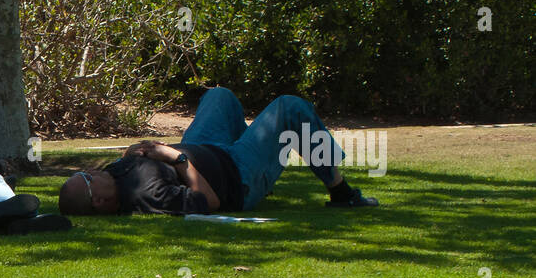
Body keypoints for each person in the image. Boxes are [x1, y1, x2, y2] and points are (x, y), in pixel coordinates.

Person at [57, 88, 380, 217]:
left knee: (219, 96)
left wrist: (136, 150)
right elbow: (207, 203)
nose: (92, 171)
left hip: (211, 147)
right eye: (87, 178)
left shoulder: (112, 177)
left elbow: (130, 157)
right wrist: (176, 158)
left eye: (84, 172)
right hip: (235, 175)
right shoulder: (148, 197)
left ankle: (264, 164)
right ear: (98, 201)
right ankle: (341, 193)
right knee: (290, 107)